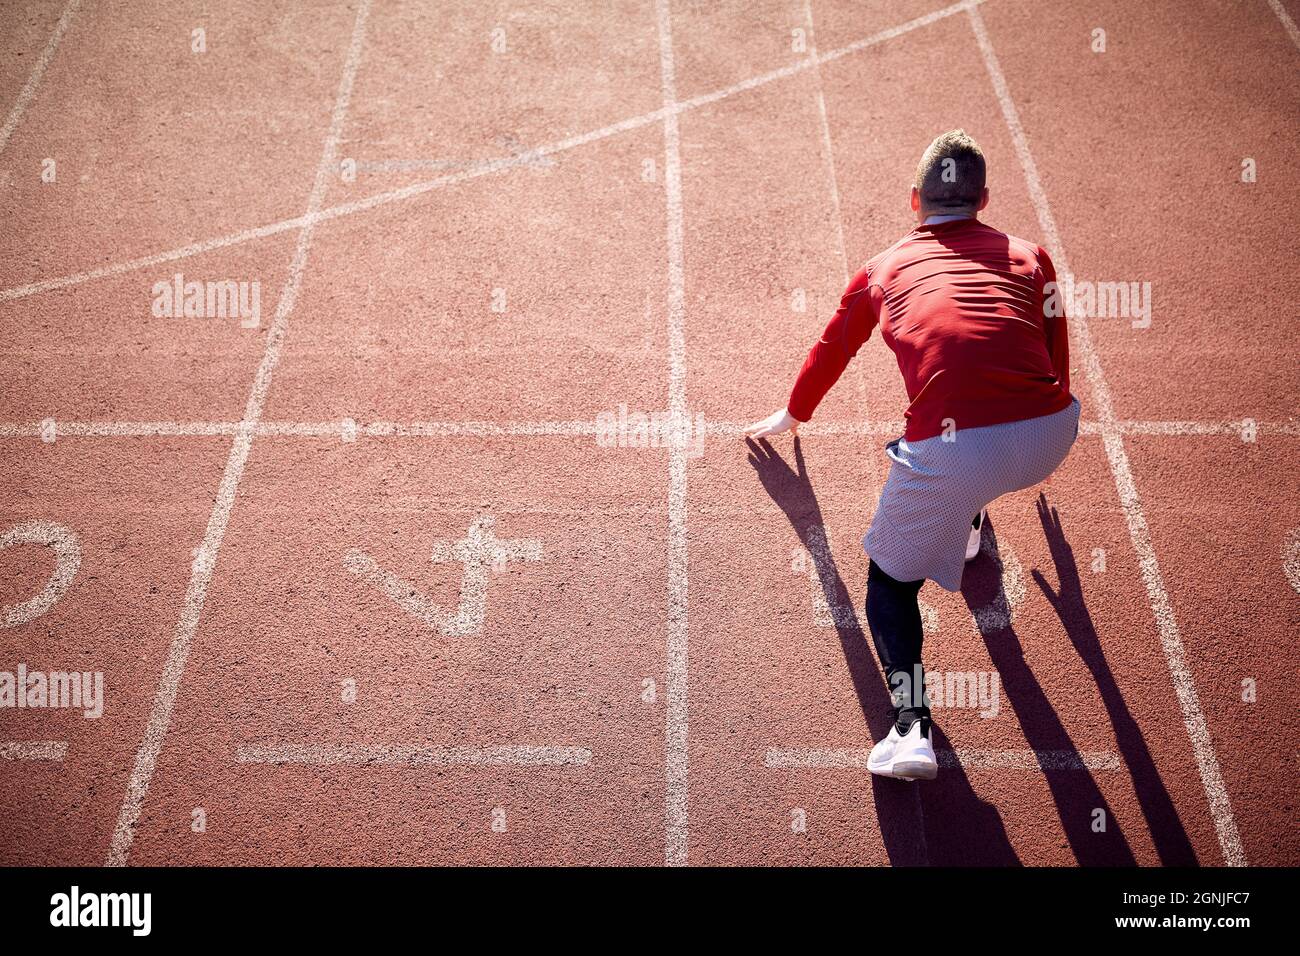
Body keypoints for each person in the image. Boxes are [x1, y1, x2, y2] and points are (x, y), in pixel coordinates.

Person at [745, 129, 1079, 781]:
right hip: (1048, 434)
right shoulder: (1033, 256)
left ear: (914, 202)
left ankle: (911, 729)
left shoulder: (883, 266)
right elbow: (1054, 356)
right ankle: (972, 525)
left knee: (889, 584)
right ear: (983, 198)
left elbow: (832, 348)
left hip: (957, 449)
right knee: (967, 452)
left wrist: (794, 412)